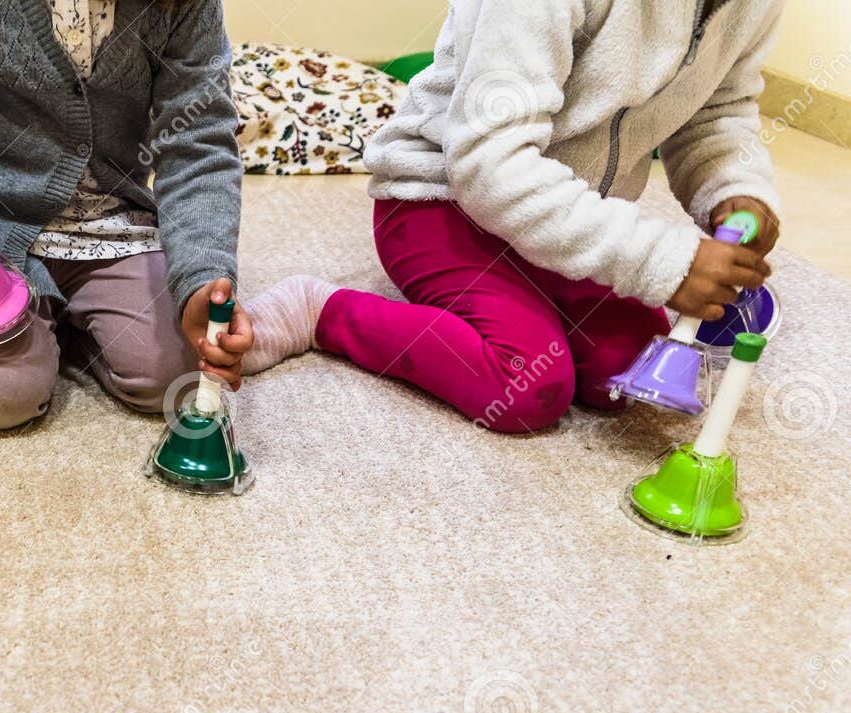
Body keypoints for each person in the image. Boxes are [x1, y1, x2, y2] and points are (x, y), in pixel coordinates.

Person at [244, 0, 783, 434]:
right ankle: (321, 312)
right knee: (528, 386)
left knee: (627, 365)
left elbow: (718, 111)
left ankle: (529, 299)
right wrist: (659, 261)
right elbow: (489, 166)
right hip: (442, 203)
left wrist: (735, 189)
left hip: (564, 219)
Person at [0, 0, 253, 431]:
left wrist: (199, 276)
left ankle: (61, 327)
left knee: (179, 380)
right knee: (0, 397)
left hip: (112, 223)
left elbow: (198, 142)